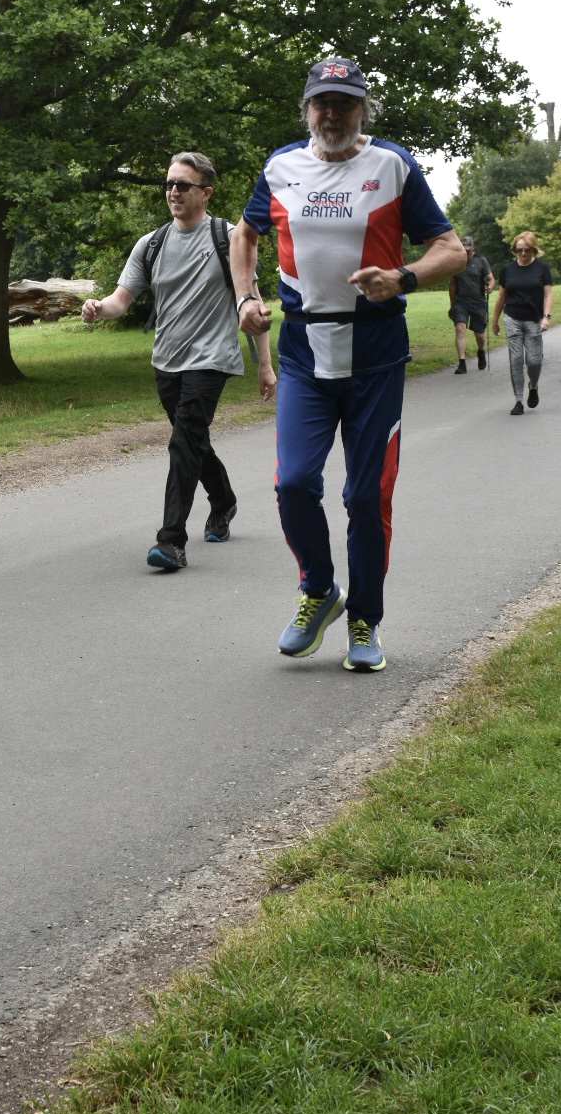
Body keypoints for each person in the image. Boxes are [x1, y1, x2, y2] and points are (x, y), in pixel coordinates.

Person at [230, 59, 464, 672]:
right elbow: (244, 235)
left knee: (367, 496)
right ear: (306, 108)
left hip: (376, 355)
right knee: (294, 483)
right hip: (304, 352)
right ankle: (319, 590)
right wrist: (246, 297)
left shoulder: (391, 164)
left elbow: (452, 249)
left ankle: (365, 618)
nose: (331, 113)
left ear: (363, 108)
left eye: (344, 102)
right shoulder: (280, 167)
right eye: (321, 103)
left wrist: (404, 276)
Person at [81, 152, 276, 571]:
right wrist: (100, 308)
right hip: (167, 359)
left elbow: (252, 304)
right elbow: (122, 298)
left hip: (212, 358)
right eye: (169, 184)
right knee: (193, 440)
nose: (173, 191)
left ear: (205, 192)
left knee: (184, 440)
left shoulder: (228, 238)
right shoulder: (151, 245)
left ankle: (171, 542)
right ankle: (223, 501)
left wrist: (264, 363)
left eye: (183, 185)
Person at [492, 231, 552, 415]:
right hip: (512, 318)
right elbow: (501, 297)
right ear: (514, 250)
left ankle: (533, 385)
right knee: (516, 360)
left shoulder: (542, 269)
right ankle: (518, 400)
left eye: (527, 250)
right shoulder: (508, 270)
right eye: (519, 250)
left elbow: (548, 294)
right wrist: (495, 320)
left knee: (534, 360)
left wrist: (546, 317)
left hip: (534, 319)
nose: (523, 254)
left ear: (533, 250)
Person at [449, 234, 494, 372]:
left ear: (473, 247)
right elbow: (452, 285)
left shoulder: (481, 261)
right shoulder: (456, 262)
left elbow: (491, 279)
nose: (466, 250)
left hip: (478, 301)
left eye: (468, 248)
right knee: (460, 329)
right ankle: (462, 363)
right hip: (461, 302)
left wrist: (490, 286)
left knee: (479, 334)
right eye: (463, 248)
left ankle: (480, 351)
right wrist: (453, 305)